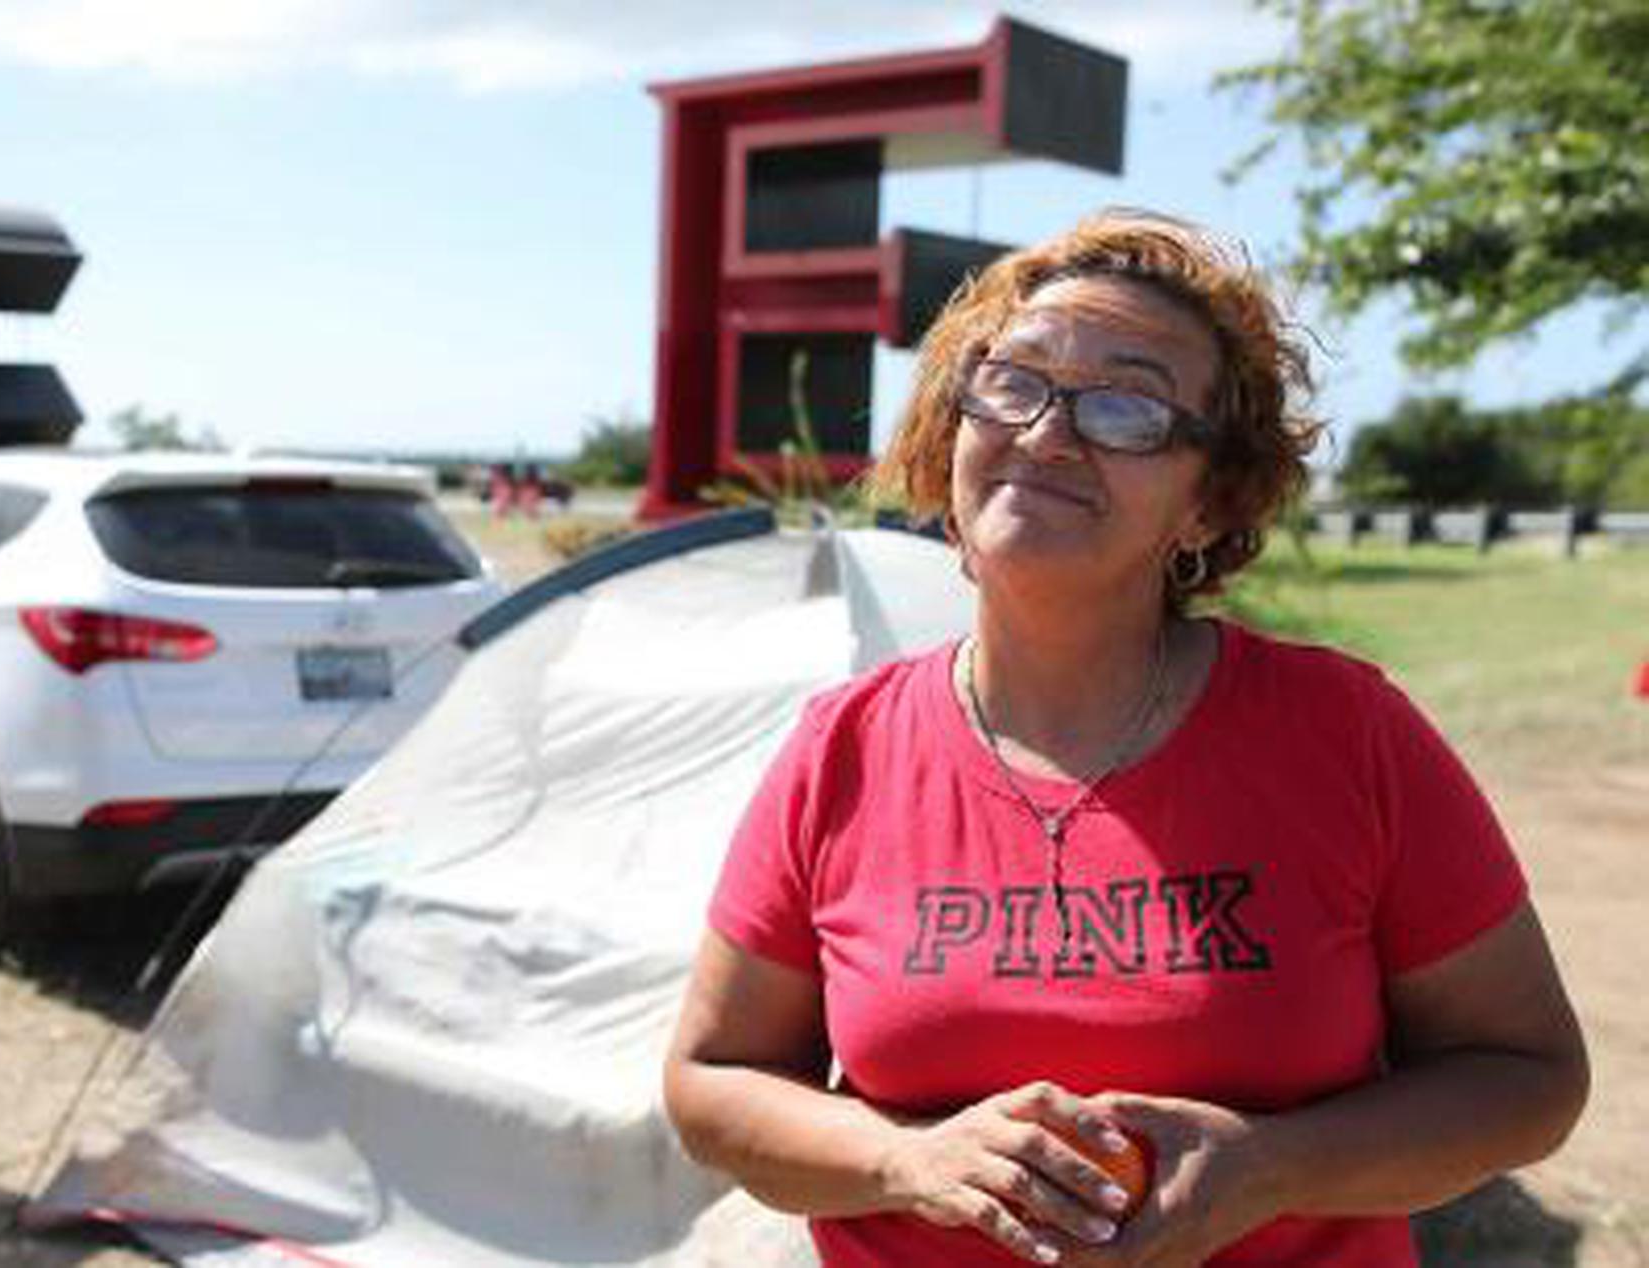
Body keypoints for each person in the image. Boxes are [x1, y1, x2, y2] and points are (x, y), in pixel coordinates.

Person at [663, 209, 1588, 1267]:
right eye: (1012, 381)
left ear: (1207, 502)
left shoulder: (1347, 734)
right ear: (951, 431)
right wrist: (907, 1159)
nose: (1048, 430)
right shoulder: (844, 748)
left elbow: (1529, 1076)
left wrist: (1271, 1163)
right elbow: (710, 1083)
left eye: (1127, 405)